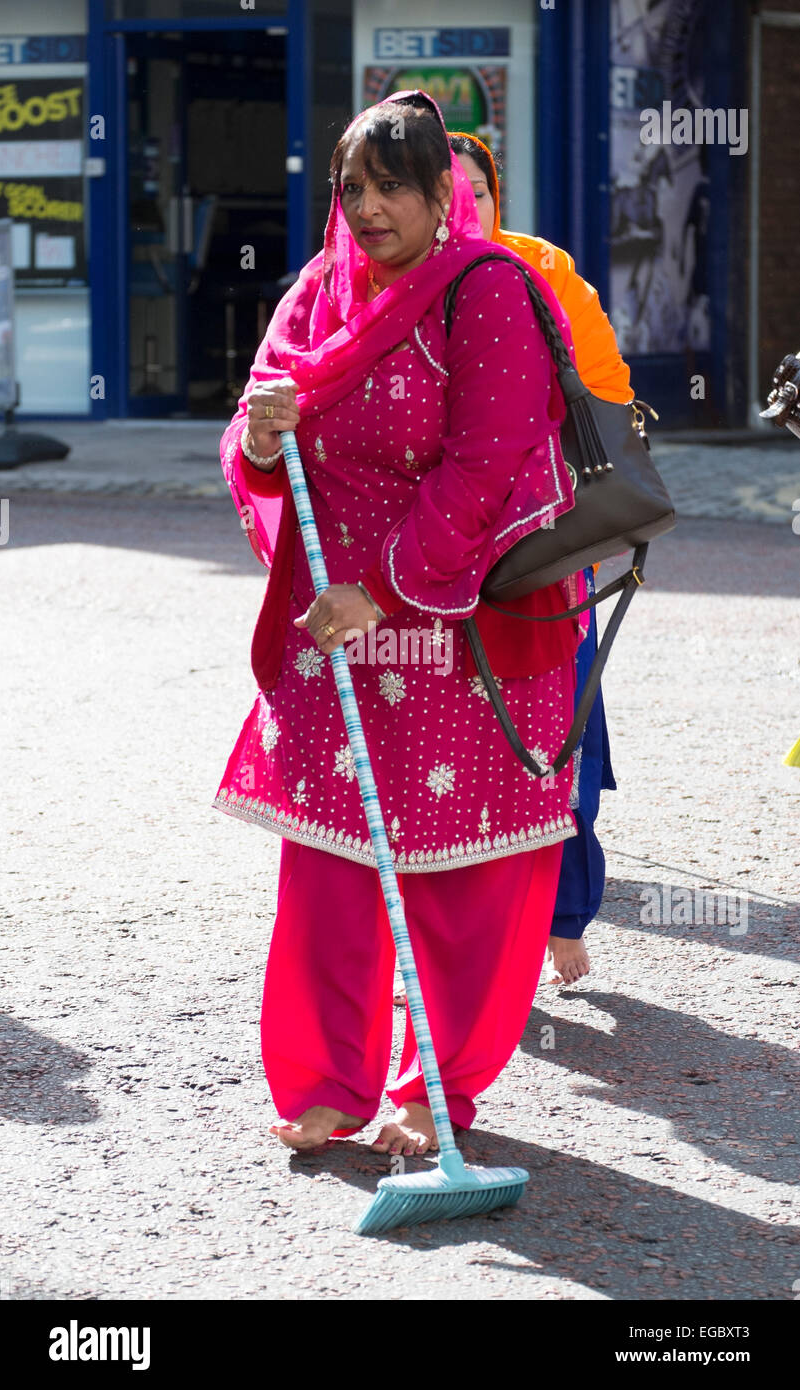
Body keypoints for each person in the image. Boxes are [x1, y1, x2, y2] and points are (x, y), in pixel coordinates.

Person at [214, 91, 588, 1157]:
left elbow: (487, 467)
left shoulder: (489, 293)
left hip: (462, 631)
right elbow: (251, 431)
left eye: (395, 187)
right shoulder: (319, 294)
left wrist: (379, 590)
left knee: (459, 878)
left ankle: (435, 1087)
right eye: (355, 188)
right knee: (332, 866)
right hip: (334, 633)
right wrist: (266, 439)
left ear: (442, 195)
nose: (371, 208)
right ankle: (328, 1079)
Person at [445, 131, 632, 987]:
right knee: (447, 738)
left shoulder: (539, 270)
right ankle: (464, 935)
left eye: (475, 191)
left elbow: (608, 400)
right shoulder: (381, 287)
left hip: (543, 541)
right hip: (430, 558)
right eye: (441, 192)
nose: (461, 209)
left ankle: (561, 915)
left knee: (557, 732)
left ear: (496, 196)